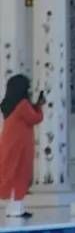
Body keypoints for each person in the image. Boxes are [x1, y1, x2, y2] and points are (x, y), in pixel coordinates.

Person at [0, 75, 45, 220]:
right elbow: (35, 118)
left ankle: (15, 208)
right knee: (19, 175)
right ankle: (15, 209)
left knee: (13, 174)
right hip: (20, 146)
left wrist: (35, 106)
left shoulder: (9, 104)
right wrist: (40, 106)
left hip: (10, 144)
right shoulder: (23, 104)